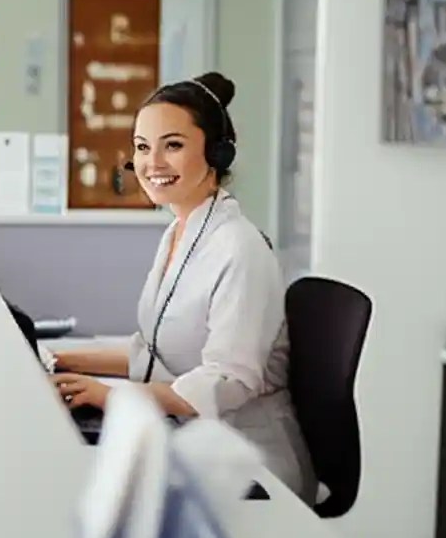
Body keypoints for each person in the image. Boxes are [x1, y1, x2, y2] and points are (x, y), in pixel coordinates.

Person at [48, 71, 316, 504]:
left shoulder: (239, 248)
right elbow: (152, 352)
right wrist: (59, 360)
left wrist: (112, 396)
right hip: (188, 439)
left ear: (216, 152)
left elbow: (226, 381)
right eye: (141, 147)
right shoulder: (179, 232)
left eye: (171, 145)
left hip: (248, 464)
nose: (151, 163)